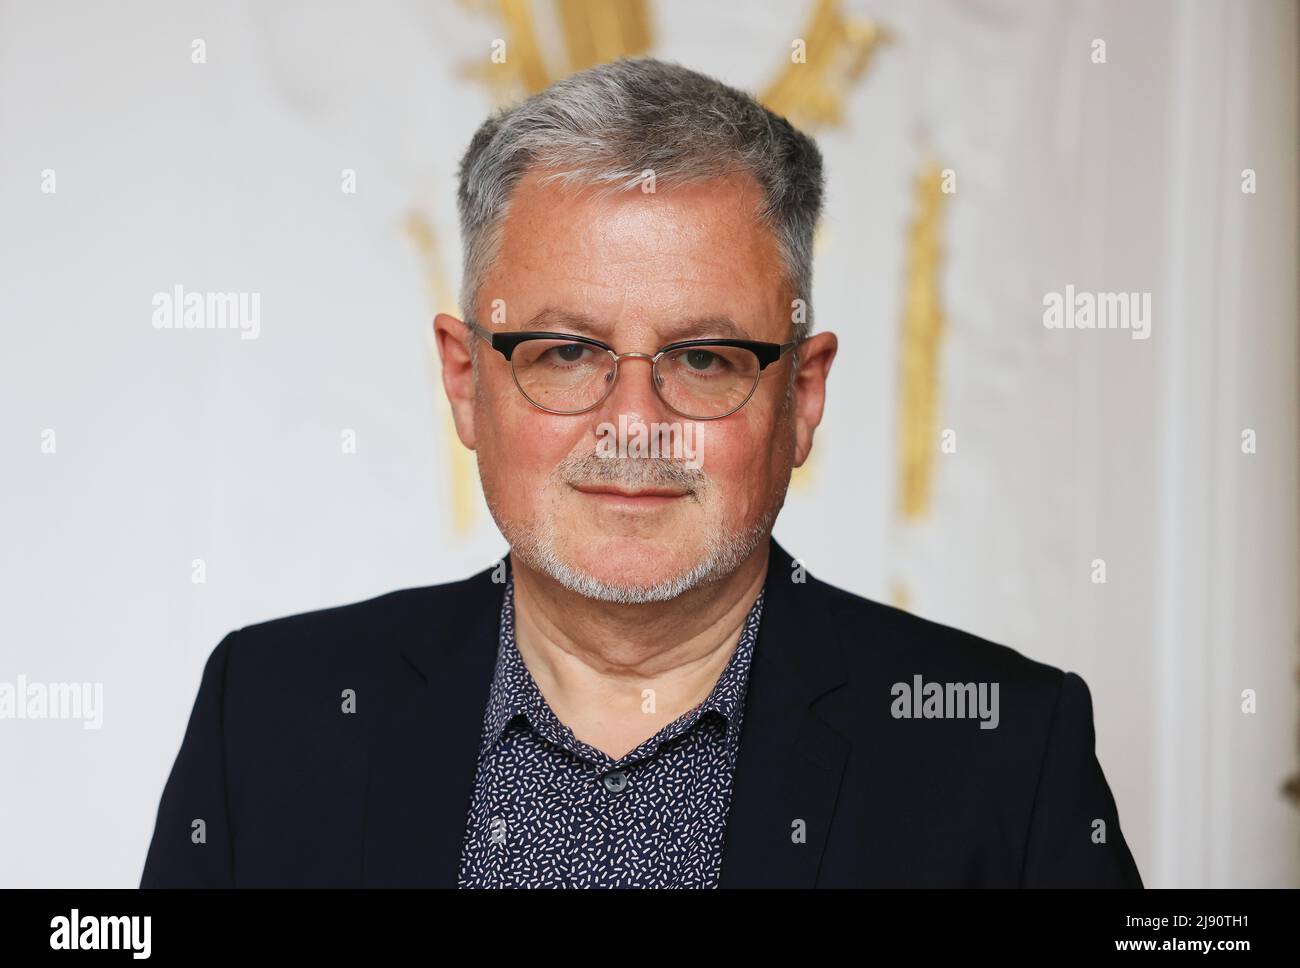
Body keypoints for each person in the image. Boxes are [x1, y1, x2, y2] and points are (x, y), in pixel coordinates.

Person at [141, 57, 1141, 888]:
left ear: (800, 395)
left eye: (703, 358)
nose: (634, 425)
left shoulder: (1005, 749)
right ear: (463, 381)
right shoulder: (269, 715)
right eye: (566, 352)